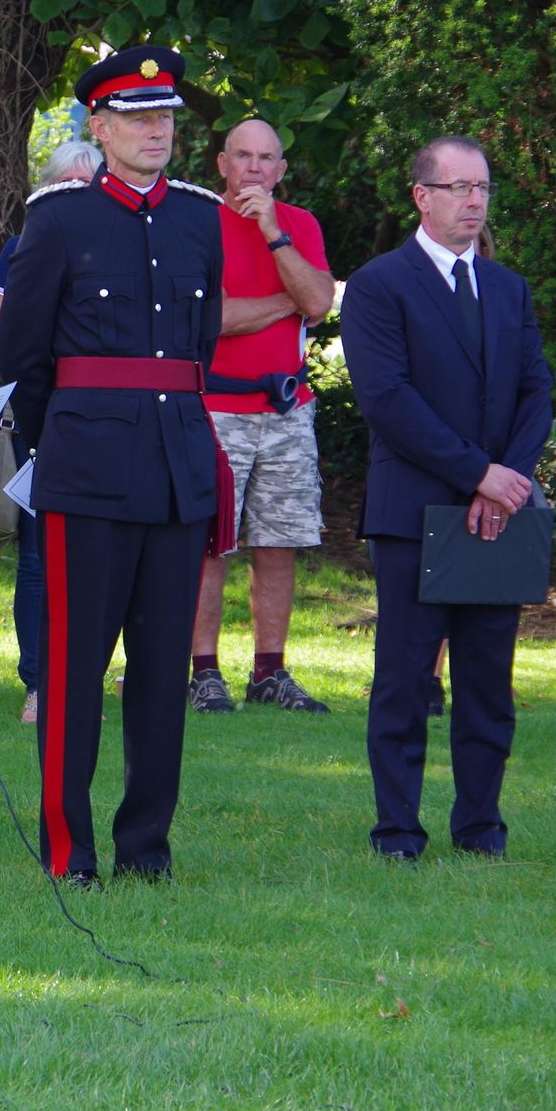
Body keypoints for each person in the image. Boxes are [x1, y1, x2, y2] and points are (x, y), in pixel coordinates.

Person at [0, 44, 226, 888]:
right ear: (100, 126)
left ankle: (146, 847)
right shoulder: (57, 218)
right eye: (137, 118)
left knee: (163, 672)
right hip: (86, 471)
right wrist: (63, 445)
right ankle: (70, 849)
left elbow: (196, 351)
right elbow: (26, 356)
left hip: (175, 469)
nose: (156, 131)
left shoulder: (201, 218)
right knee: (73, 667)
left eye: (165, 116)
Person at [339, 135, 552, 860]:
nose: (474, 201)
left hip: (497, 512)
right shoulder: (379, 284)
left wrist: (508, 478)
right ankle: (397, 831)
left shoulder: (507, 288)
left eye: (483, 188)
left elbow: (535, 391)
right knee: (403, 681)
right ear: (421, 196)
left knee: (489, 681)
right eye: (459, 187)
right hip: (414, 512)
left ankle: (481, 827)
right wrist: (477, 474)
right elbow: (387, 400)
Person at [188, 119, 337, 715]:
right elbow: (209, 319)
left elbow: (322, 303)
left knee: (280, 545)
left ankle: (269, 671)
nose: (254, 168)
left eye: (266, 158)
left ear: (279, 169)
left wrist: (274, 233)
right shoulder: (197, 223)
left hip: (287, 411)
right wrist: (288, 301)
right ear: (222, 164)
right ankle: (203, 672)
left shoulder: (299, 225)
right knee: (209, 546)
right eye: (242, 156)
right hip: (214, 407)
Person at [0, 139, 104, 724]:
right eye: (67, 185)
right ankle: (39, 685)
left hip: (111, 426)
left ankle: (85, 684)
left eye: (89, 185)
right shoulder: (23, 248)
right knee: (38, 556)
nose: (79, 196)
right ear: (46, 192)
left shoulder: (128, 247)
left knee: (105, 557)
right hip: (43, 423)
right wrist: (49, 384)